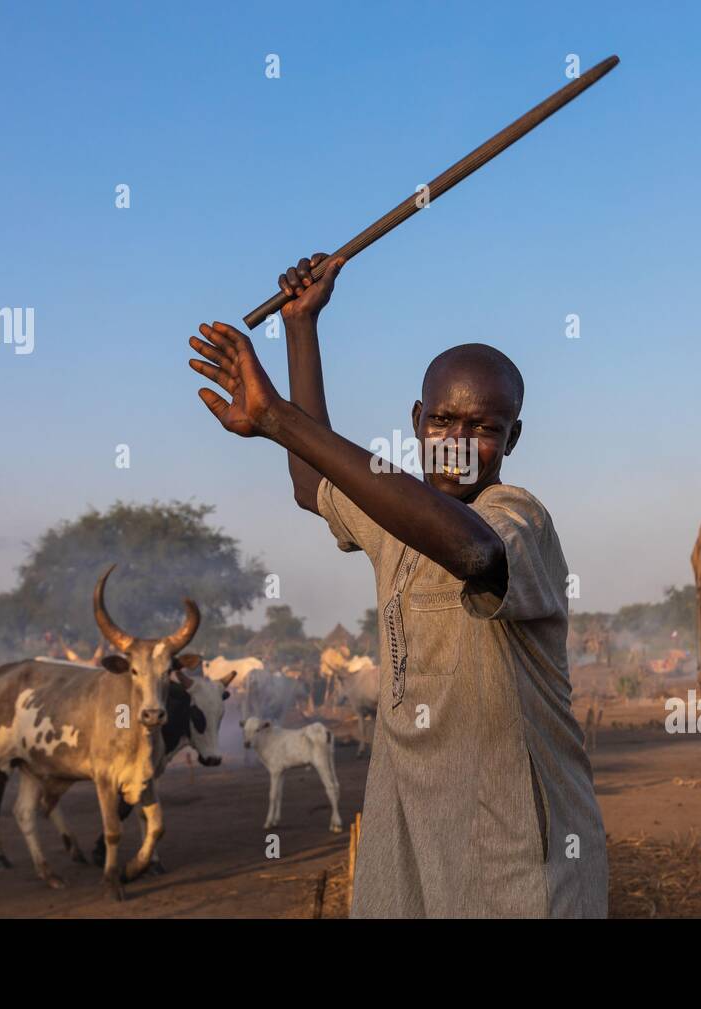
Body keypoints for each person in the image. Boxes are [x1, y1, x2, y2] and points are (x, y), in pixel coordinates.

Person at [188, 253, 607, 917]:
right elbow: (312, 484)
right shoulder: (394, 517)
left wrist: (280, 419)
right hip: (411, 833)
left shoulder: (516, 517)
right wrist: (302, 328)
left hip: (518, 848)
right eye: (444, 421)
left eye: (485, 429)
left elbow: (470, 548)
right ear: (416, 420)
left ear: (513, 438)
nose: (459, 443)